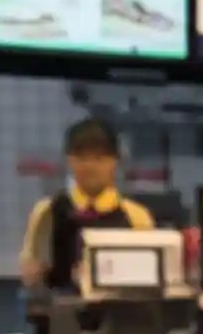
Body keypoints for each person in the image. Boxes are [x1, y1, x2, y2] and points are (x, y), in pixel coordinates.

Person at [20, 117, 155, 290]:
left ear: (115, 161)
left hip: (119, 312)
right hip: (59, 312)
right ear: (69, 160)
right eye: (81, 158)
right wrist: (34, 273)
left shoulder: (137, 216)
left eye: (99, 158)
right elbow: (30, 271)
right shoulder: (47, 212)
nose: (90, 167)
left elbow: (148, 276)